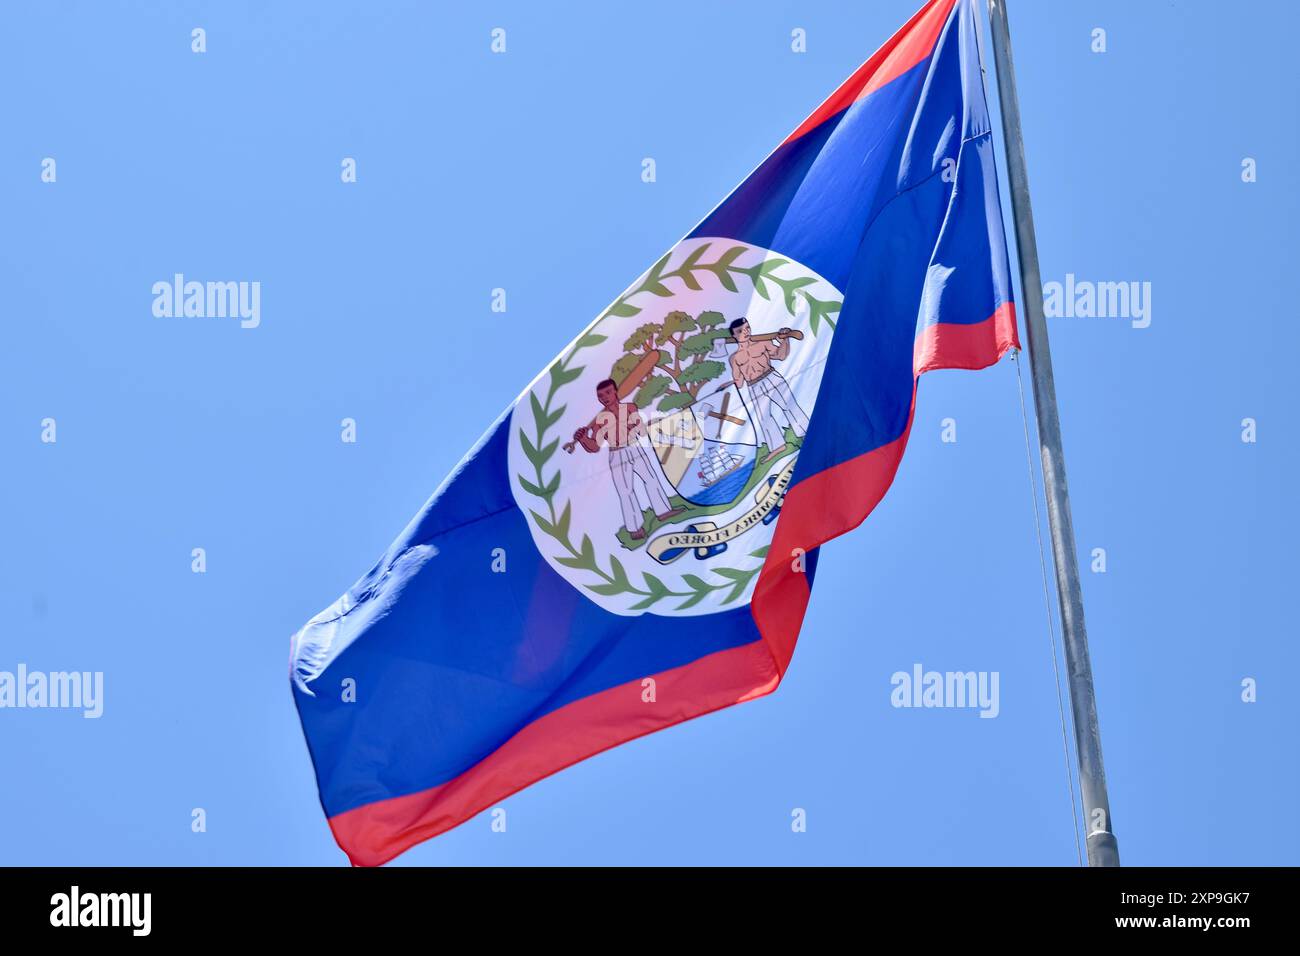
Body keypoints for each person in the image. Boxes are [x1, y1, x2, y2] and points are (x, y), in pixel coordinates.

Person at [572, 379, 684, 540]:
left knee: (651, 479)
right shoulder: (599, 420)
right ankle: (634, 528)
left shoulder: (630, 408)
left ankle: (663, 511)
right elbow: (594, 447)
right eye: (601, 396)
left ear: (616, 391)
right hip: (617, 454)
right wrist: (583, 439)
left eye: (608, 392)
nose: (605, 397)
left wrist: (635, 426)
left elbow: (641, 430)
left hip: (634, 447)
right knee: (626, 491)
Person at [727, 318, 810, 463]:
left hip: (771, 377)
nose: (745, 332)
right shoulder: (734, 358)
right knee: (764, 418)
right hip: (753, 386)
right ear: (734, 335)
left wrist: (785, 340)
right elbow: (739, 383)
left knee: (789, 405)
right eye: (740, 331)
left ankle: (804, 431)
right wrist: (733, 380)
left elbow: (780, 356)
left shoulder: (762, 343)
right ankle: (777, 446)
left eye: (747, 328)